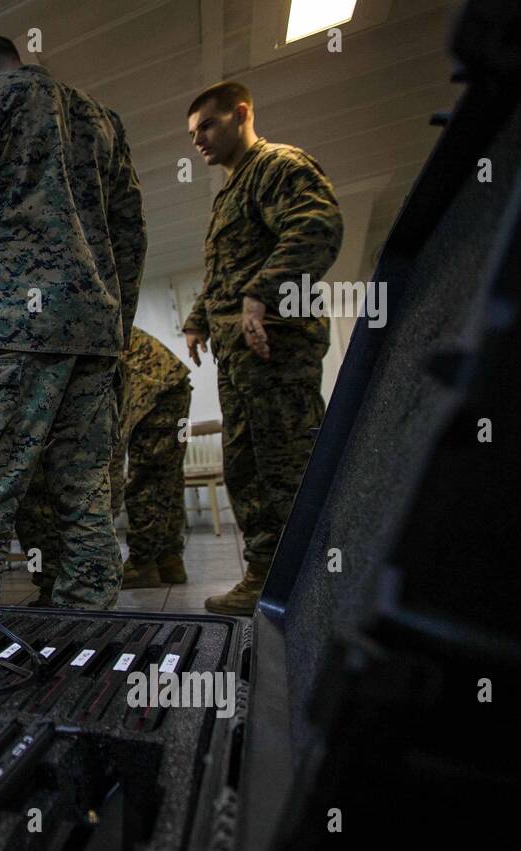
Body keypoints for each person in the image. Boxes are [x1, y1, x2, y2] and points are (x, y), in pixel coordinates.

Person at [0, 35, 145, 609]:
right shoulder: (105, 120)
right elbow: (131, 235)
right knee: (86, 496)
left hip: (16, 333)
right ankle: (90, 641)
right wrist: (113, 329)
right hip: (95, 340)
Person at [183, 81, 343, 614]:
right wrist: (196, 322)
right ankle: (267, 575)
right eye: (192, 132)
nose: (198, 140)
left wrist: (261, 293)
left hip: (276, 347)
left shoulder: (277, 165)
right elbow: (222, 275)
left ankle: (323, 578)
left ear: (241, 113)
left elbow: (317, 226)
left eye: (207, 124)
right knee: (247, 468)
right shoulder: (229, 193)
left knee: (290, 465)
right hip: (239, 358)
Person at [0, 326, 190, 603]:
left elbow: (8, 312)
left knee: (136, 481)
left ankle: (140, 565)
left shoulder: (34, 335)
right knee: (160, 479)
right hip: (161, 379)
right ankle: (167, 561)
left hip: (143, 380)